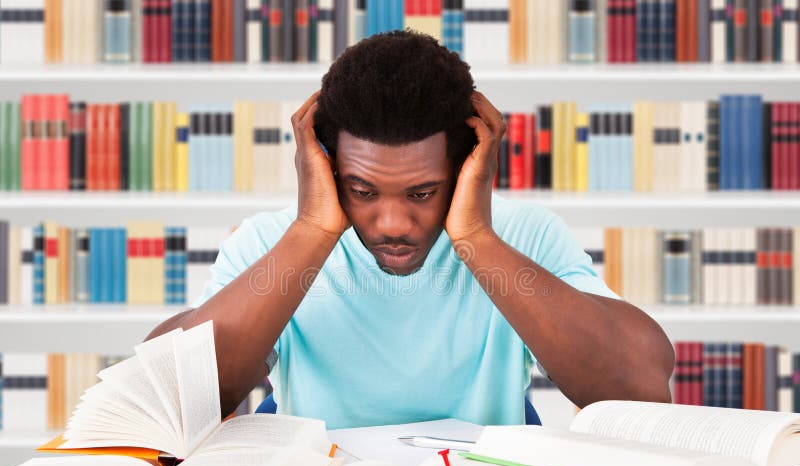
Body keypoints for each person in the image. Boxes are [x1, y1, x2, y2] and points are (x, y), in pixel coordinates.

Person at [145, 30, 674, 429]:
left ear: (467, 169)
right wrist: (312, 230)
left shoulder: (524, 235)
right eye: (363, 191)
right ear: (324, 169)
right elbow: (166, 398)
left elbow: (640, 389)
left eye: (422, 193)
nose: (393, 224)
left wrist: (476, 239)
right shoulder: (272, 243)